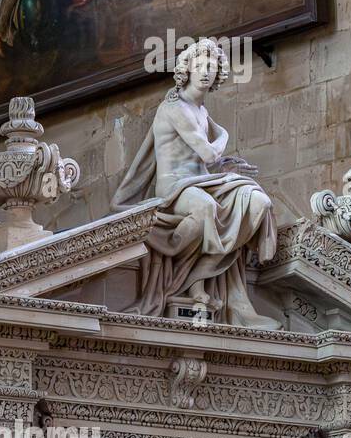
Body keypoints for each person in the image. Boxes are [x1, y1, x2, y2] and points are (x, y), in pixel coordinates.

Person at [112, 38, 279, 329]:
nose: (206, 72)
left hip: (200, 182)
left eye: (212, 68)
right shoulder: (174, 107)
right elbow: (208, 153)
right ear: (187, 70)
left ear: (218, 76)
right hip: (174, 187)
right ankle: (192, 281)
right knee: (206, 209)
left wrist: (226, 166)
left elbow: (209, 161)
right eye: (200, 66)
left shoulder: (202, 113)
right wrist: (224, 135)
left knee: (257, 202)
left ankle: (197, 277)